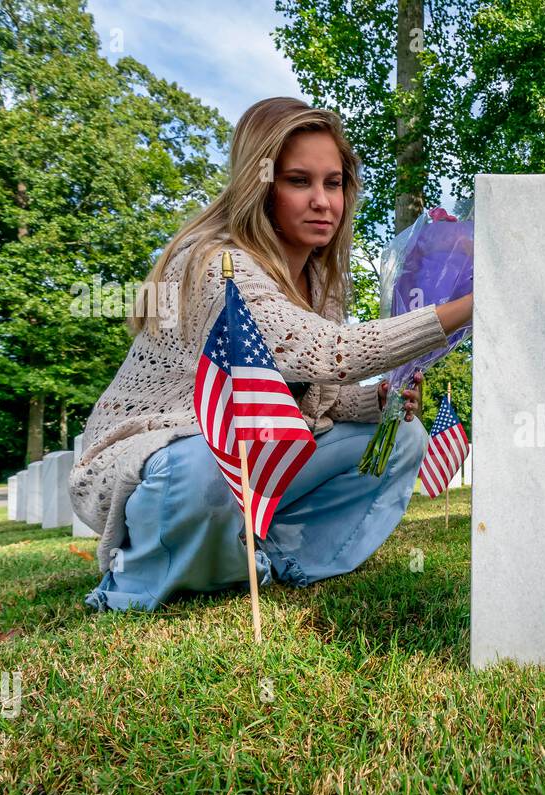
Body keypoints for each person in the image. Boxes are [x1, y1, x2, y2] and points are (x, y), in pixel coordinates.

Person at [69, 97, 473, 611]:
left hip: (248, 452)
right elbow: (330, 353)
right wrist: (467, 306)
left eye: (333, 183)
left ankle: (281, 557)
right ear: (260, 185)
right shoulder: (218, 264)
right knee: (200, 467)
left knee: (400, 437)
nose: (323, 201)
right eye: (298, 181)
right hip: (162, 460)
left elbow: (309, 403)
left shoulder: (321, 281)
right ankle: (144, 575)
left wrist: (379, 403)